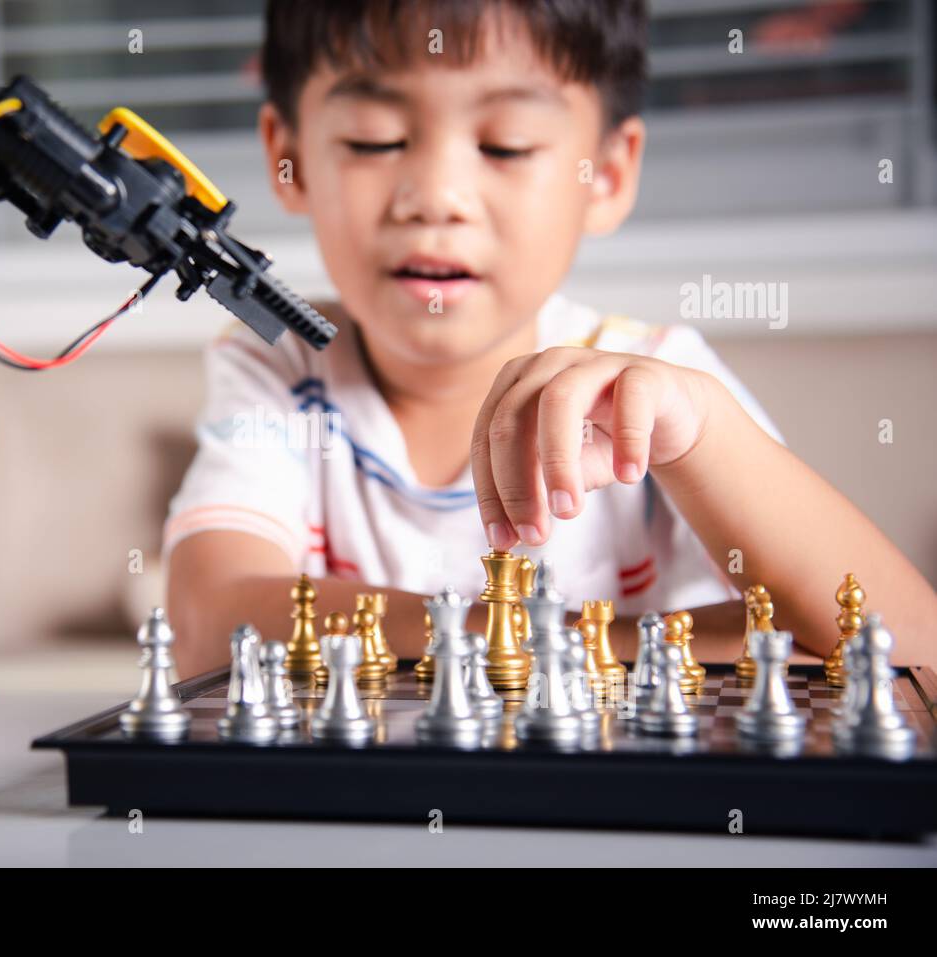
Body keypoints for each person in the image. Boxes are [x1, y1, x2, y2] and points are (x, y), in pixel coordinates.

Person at [162, 0, 936, 678]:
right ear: (285, 158)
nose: (436, 196)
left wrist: (707, 443)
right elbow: (207, 624)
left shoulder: (663, 389)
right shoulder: (276, 366)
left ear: (605, 173)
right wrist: (560, 639)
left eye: (505, 146)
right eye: (373, 139)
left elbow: (912, 649)